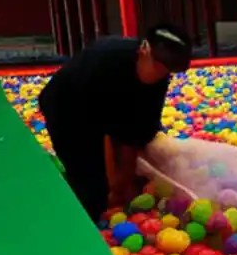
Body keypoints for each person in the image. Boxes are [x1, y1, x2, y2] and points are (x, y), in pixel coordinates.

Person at [38, 24, 192, 220]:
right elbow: (101, 133)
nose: (159, 74)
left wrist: (124, 181)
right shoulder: (105, 60)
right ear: (144, 50)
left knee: (131, 169)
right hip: (67, 109)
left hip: (108, 111)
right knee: (91, 190)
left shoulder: (157, 82)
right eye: (157, 66)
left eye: (167, 71)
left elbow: (137, 133)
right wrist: (113, 185)